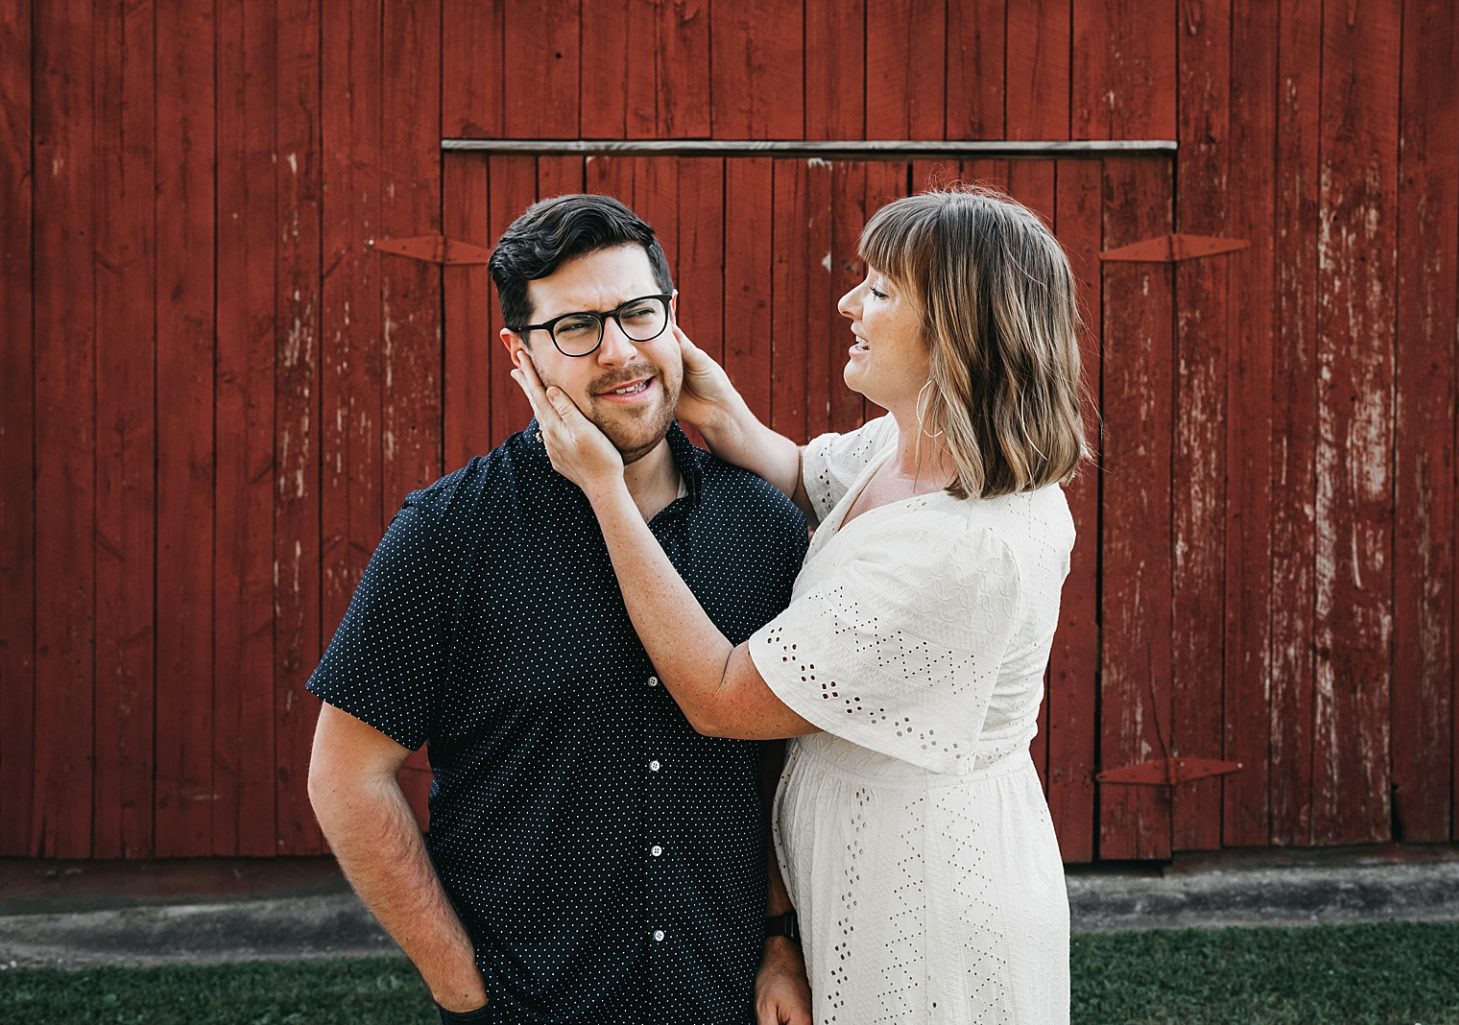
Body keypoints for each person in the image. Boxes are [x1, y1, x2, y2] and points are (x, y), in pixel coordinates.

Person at [515, 186, 1090, 1024]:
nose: (849, 303)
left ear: (958, 330)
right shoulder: (912, 442)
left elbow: (721, 697)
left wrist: (604, 489)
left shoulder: (962, 551)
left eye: (881, 290)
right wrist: (719, 410)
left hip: (921, 884)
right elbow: (805, 474)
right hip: (862, 849)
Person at [307, 193, 814, 1025]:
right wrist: (461, 989)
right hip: (531, 1005)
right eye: (577, 327)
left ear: (673, 315)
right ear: (521, 351)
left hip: (723, 998)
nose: (620, 351)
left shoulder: (760, 522)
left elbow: (777, 764)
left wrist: (778, 939)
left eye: (639, 313)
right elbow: (346, 774)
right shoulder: (448, 534)